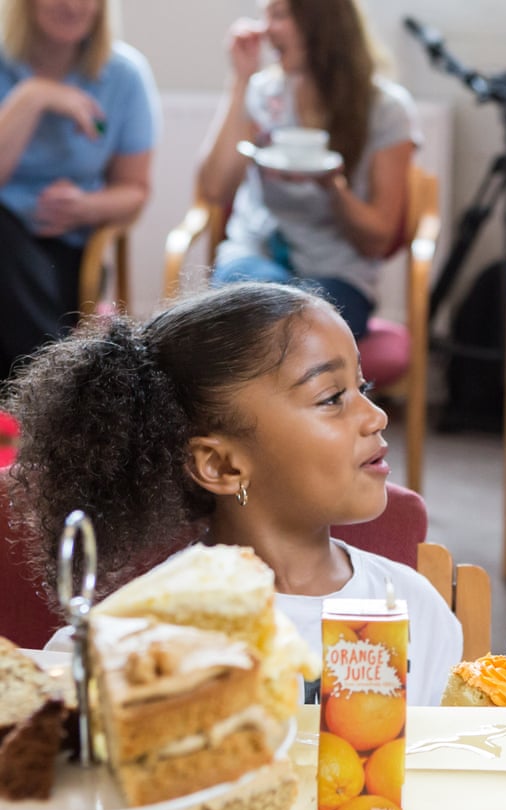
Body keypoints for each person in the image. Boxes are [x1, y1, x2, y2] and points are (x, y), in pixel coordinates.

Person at [3, 283, 462, 706]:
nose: (376, 416)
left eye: (362, 388)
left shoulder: (412, 606)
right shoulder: (142, 635)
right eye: (331, 397)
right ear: (220, 465)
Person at [198, 0, 418, 338]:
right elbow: (214, 188)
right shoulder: (262, 92)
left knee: (295, 332)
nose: (265, 28)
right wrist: (240, 80)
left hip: (336, 272)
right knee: (254, 317)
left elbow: (378, 238)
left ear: (323, 22)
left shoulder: (386, 109)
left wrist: (332, 187)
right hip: (254, 253)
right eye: (265, 14)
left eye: (280, 15)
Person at [0, 0, 159, 380]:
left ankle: (44, 387)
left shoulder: (124, 76)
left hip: (68, 250)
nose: (72, 5)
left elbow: (134, 191)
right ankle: (53, 387)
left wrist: (85, 207)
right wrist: (33, 96)